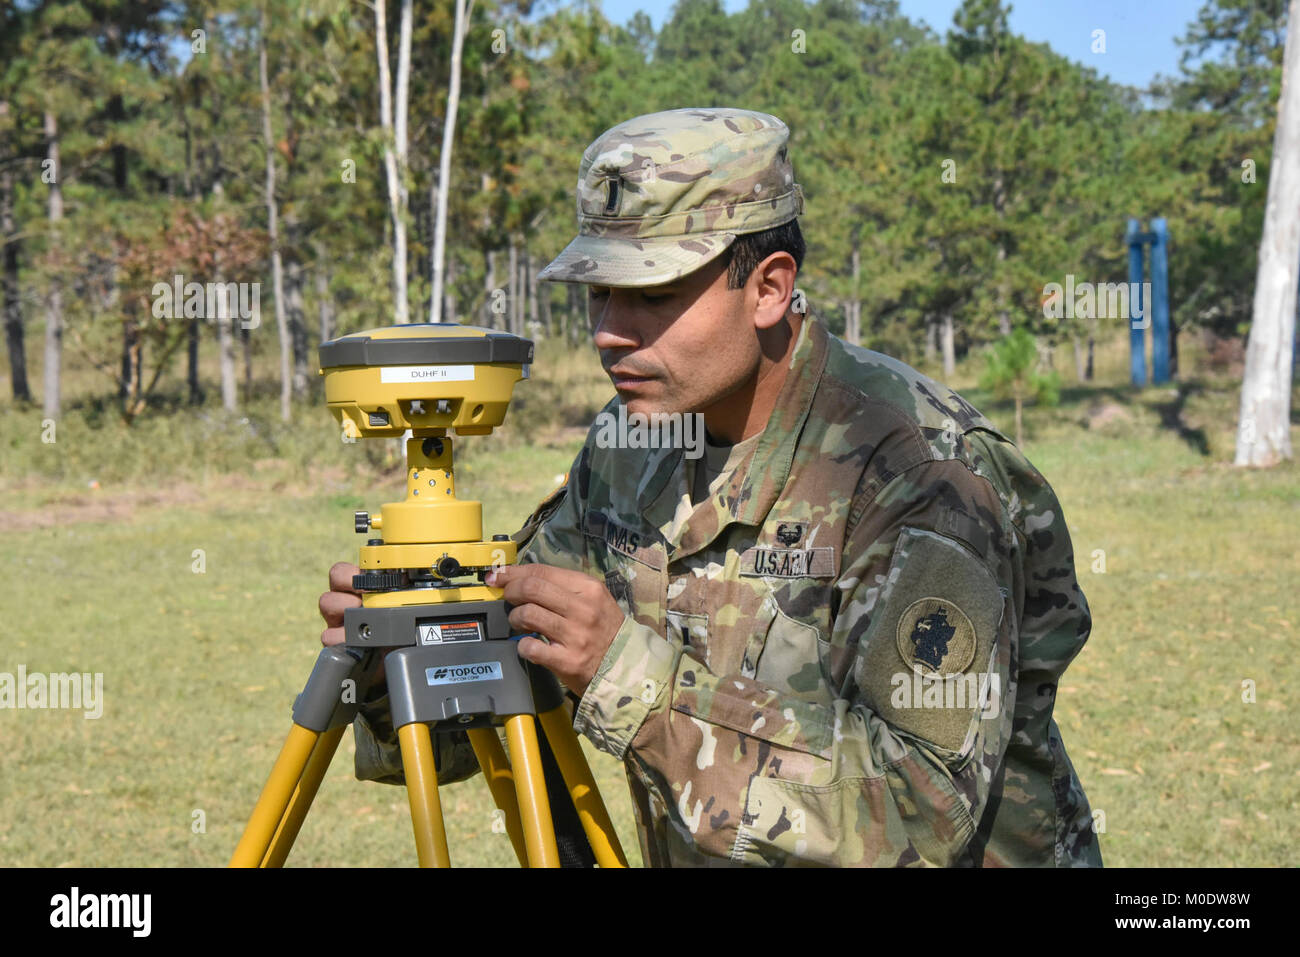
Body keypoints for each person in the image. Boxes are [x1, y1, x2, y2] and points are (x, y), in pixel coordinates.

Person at [319, 107, 1103, 867]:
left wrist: (631, 679)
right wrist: (398, 652)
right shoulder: (631, 443)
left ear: (768, 287)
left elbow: (918, 814)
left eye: (653, 295)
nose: (609, 331)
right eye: (598, 292)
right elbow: (501, 698)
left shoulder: (921, 475)